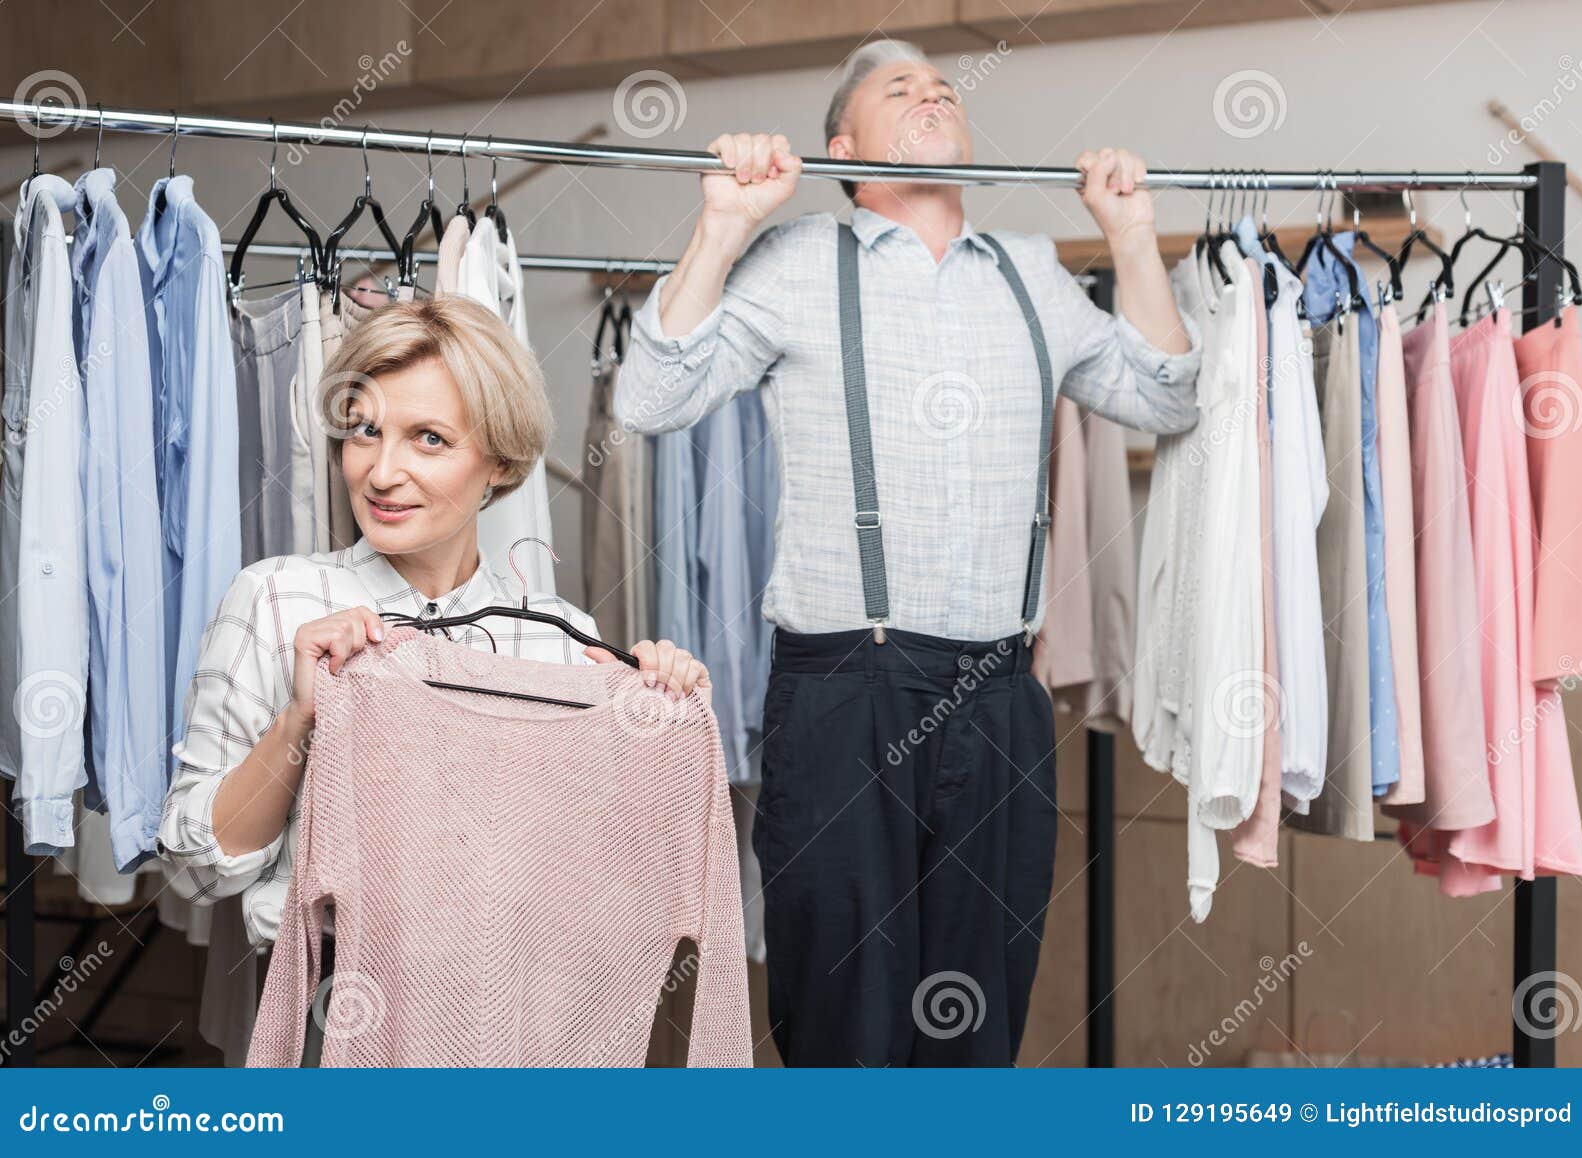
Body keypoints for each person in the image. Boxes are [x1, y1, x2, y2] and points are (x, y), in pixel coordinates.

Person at [614, 38, 1202, 1066]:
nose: (932, 95)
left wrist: (1133, 236)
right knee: (845, 1019)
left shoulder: (1028, 271)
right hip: (847, 689)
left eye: (942, 88)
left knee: (976, 1020)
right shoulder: (796, 262)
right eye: (900, 89)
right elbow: (651, 398)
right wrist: (721, 226)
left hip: (998, 697)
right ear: (842, 145)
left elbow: (1164, 395)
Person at [159, 293, 710, 956]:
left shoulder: (558, 640)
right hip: (328, 1020)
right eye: (365, 431)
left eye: (429, 439)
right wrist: (297, 722)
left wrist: (650, 726)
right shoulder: (277, 599)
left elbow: (612, 889)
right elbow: (194, 874)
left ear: (500, 462)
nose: (382, 473)